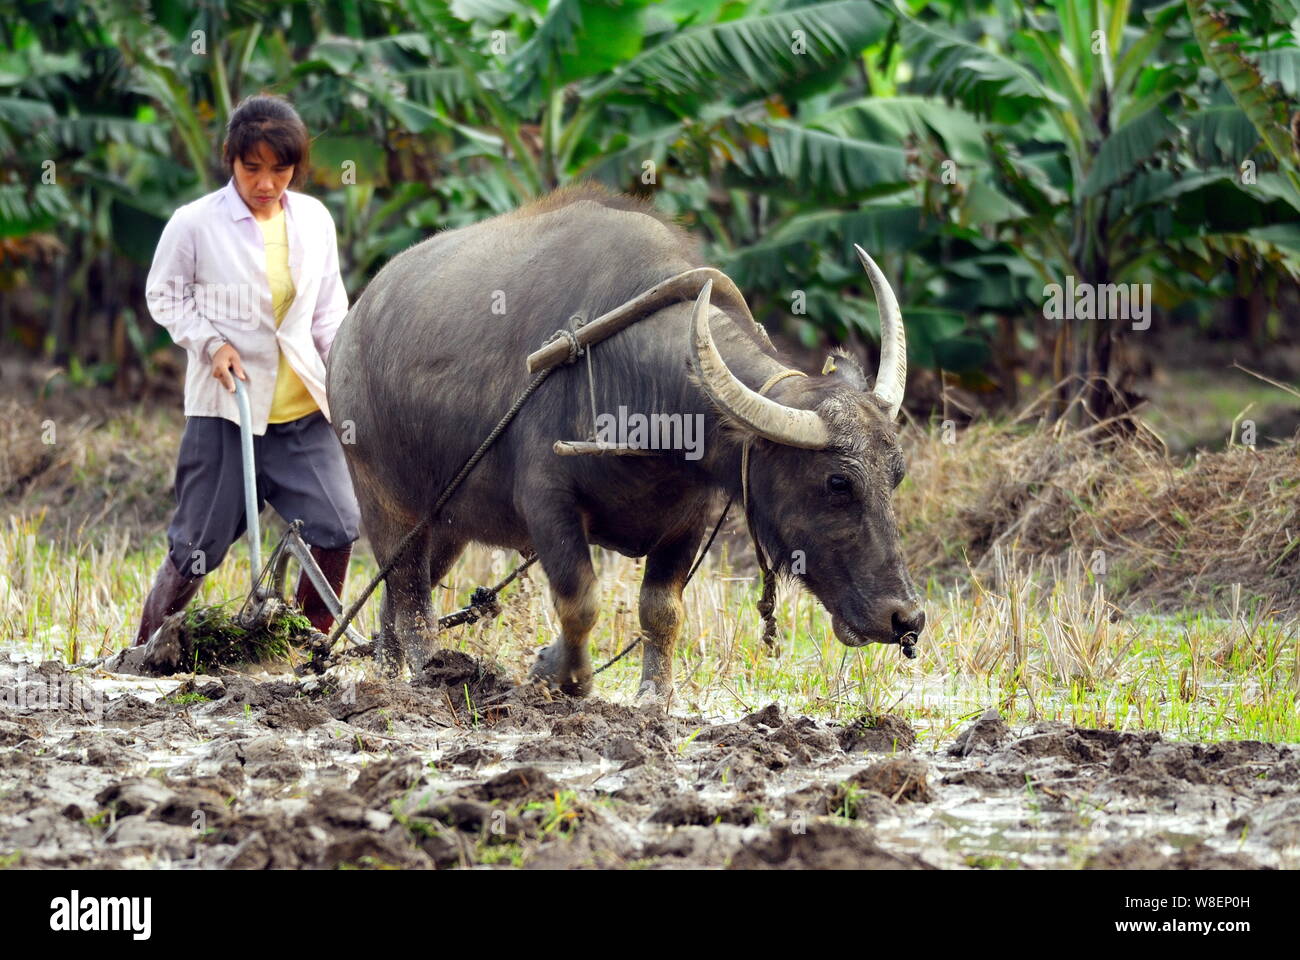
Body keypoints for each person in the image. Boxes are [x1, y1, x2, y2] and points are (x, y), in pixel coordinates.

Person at [132, 93, 361, 648]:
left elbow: (330, 313)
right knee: (196, 548)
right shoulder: (196, 224)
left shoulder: (314, 219)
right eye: (251, 167)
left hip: (301, 413)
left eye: (279, 169)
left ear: (295, 167)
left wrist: (350, 378)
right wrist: (210, 343)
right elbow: (164, 295)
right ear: (230, 158)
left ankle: (303, 650)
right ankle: (141, 653)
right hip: (228, 411)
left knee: (338, 525)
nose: (266, 182)